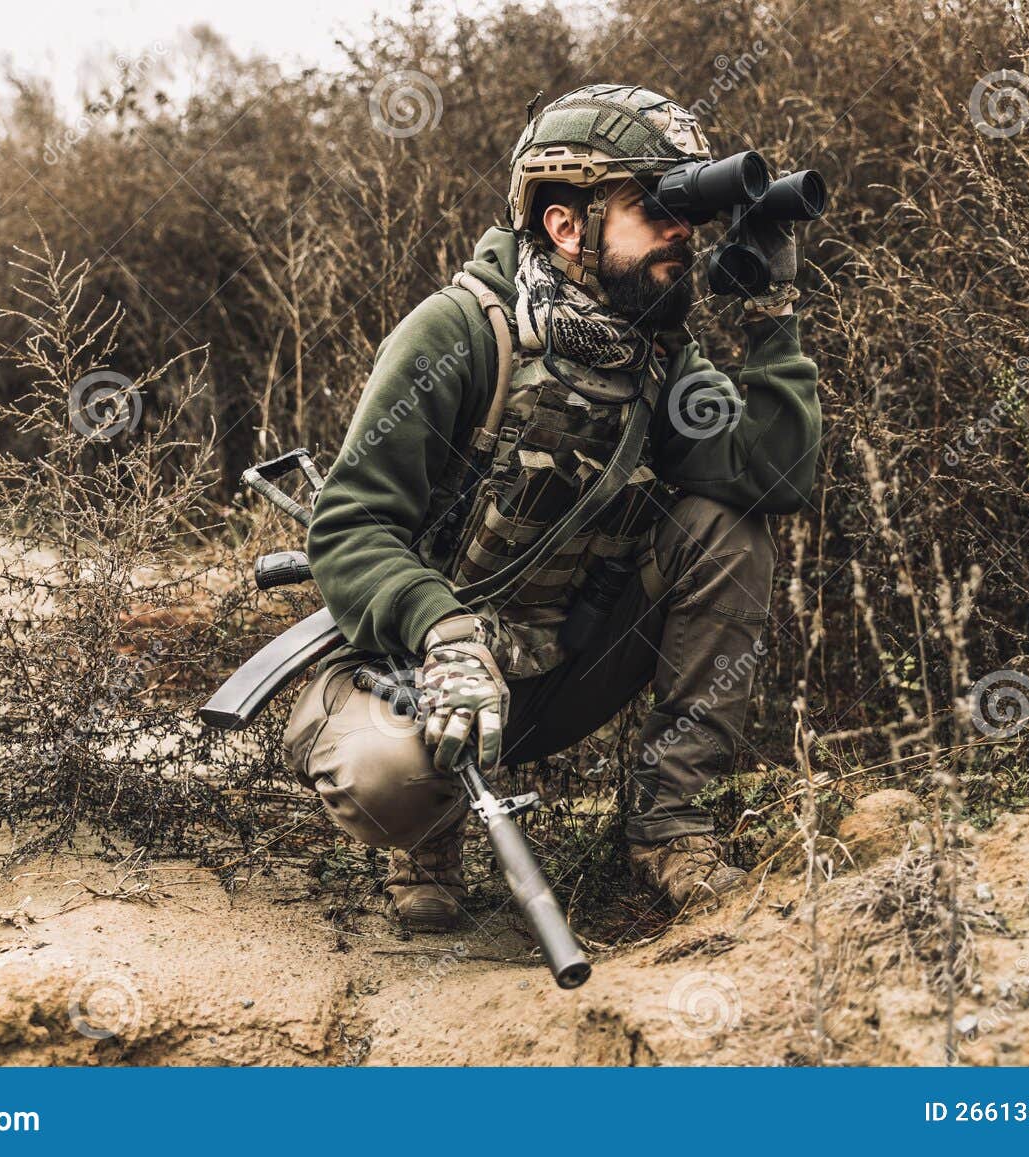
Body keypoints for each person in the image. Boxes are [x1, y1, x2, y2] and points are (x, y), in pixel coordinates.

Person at [285, 83, 821, 931]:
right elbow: (351, 525)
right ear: (566, 225)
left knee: (728, 530)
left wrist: (772, 314)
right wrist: (443, 632)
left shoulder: (658, 360)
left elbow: (774, 479)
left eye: (688, 208)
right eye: (657, 208)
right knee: (385, 776)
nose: (683, 231)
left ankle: (669, 826)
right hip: (428, 673)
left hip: (564, 668)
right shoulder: (459, 334)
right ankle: (426, 836)